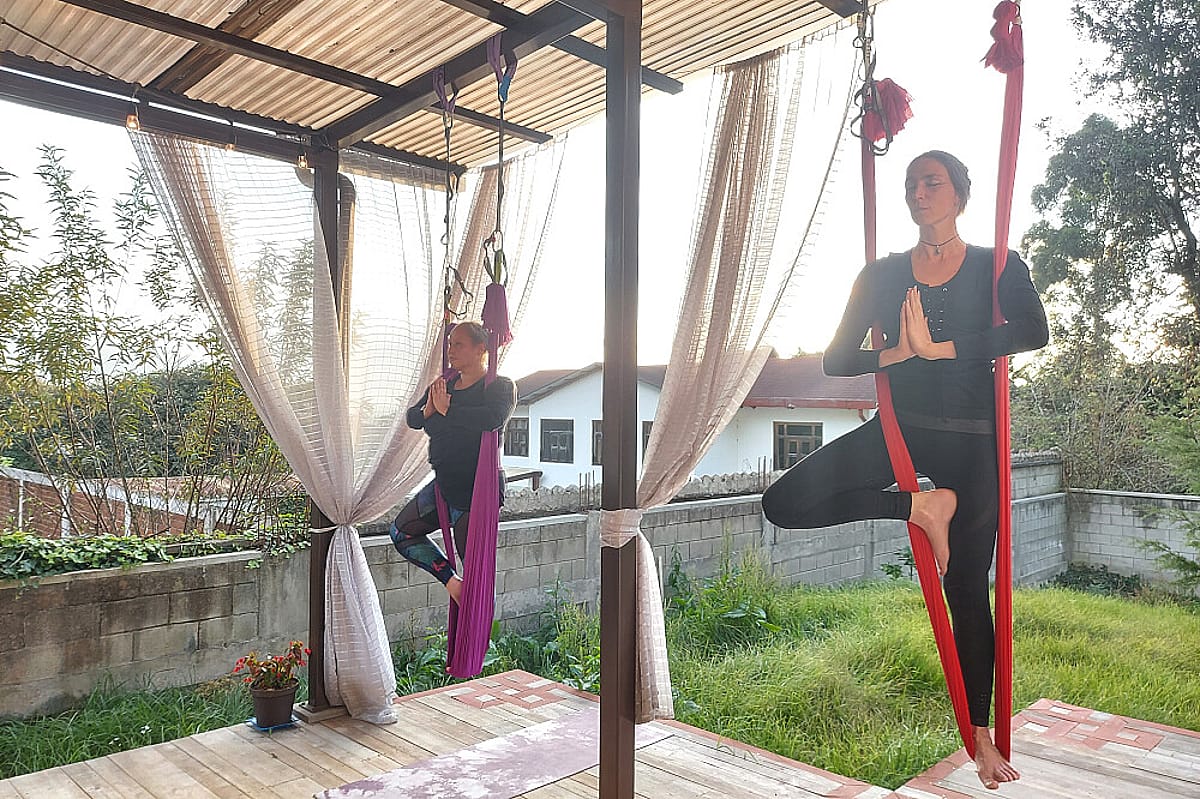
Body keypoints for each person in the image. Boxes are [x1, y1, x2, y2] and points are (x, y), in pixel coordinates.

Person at [761, 150, 1048, 790]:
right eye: (911, 184)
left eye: (932, 182)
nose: (919, 193)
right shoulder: (882, 275)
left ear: (959, 194)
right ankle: (919, 507)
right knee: (784, 502)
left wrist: (941, 348)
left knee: (966, 589)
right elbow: (837, 358)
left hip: (973, 440)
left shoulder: (994, 265)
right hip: (902, 433)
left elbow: (1034, 330)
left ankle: (979, 733)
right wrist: (897, 351)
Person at [390, 321, 516, 605]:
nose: (451, 350)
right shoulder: (443, 385)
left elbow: (490, 420)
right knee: (400, 533)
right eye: (449, 344)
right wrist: (430, 409)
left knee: (476, 573)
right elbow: (414, 418)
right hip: (444, 486)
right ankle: (451, 582)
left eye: (458, 344)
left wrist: (446, 411)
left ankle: (475, 633)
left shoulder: (499, 386)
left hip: (476, 492)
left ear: (480, 348)